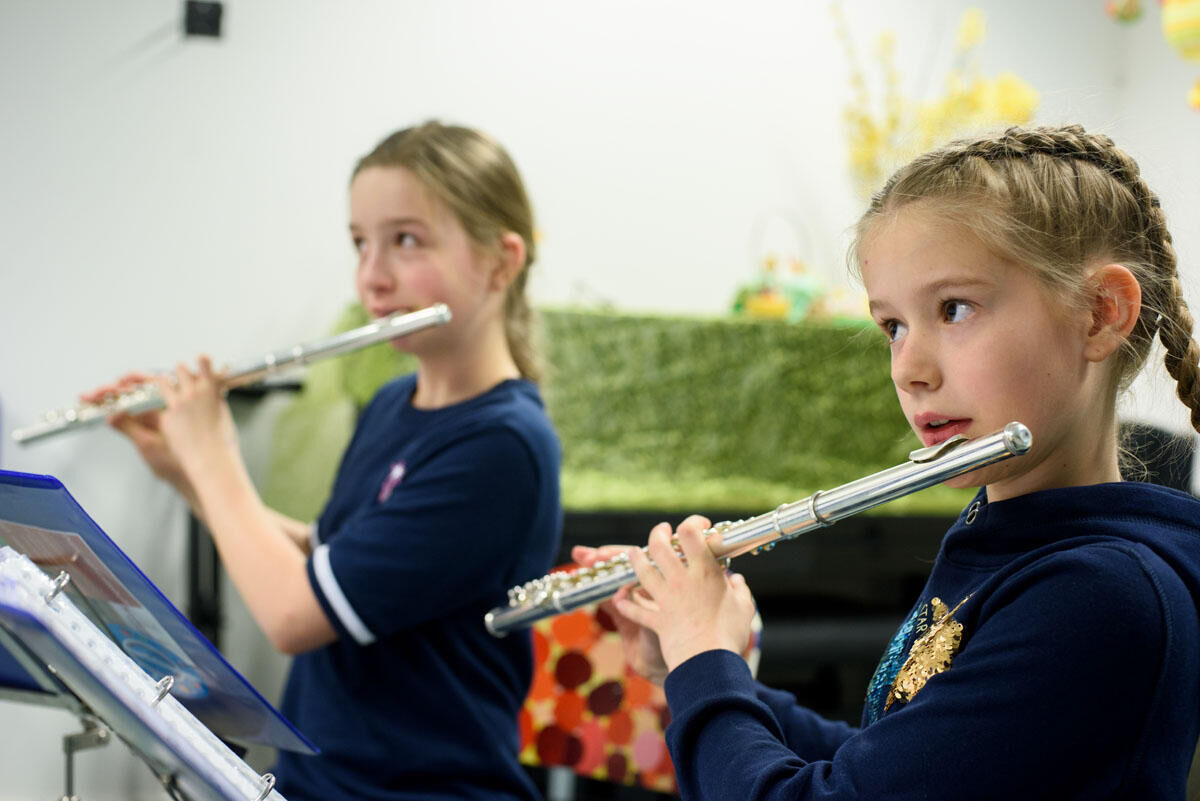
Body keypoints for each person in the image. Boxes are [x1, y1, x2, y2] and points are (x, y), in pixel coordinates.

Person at [576, 124, 1200, 800]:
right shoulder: (1009, 535)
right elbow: (883, 766)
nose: (909, 369)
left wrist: (705, 659)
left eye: (954, 309)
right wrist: (692, 666)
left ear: (1100, 313)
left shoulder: (1099, 593)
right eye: (894, 326)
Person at [85, 121, 562, 801]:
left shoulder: (502, 446)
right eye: (360, 243)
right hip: (323, 780)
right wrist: (185, 471)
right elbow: (331, 562)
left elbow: (293, 613)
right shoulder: (394, 403)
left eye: (406, 240)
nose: (372, 276)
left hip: (419, 791)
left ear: (501, 261)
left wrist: (215, 457)